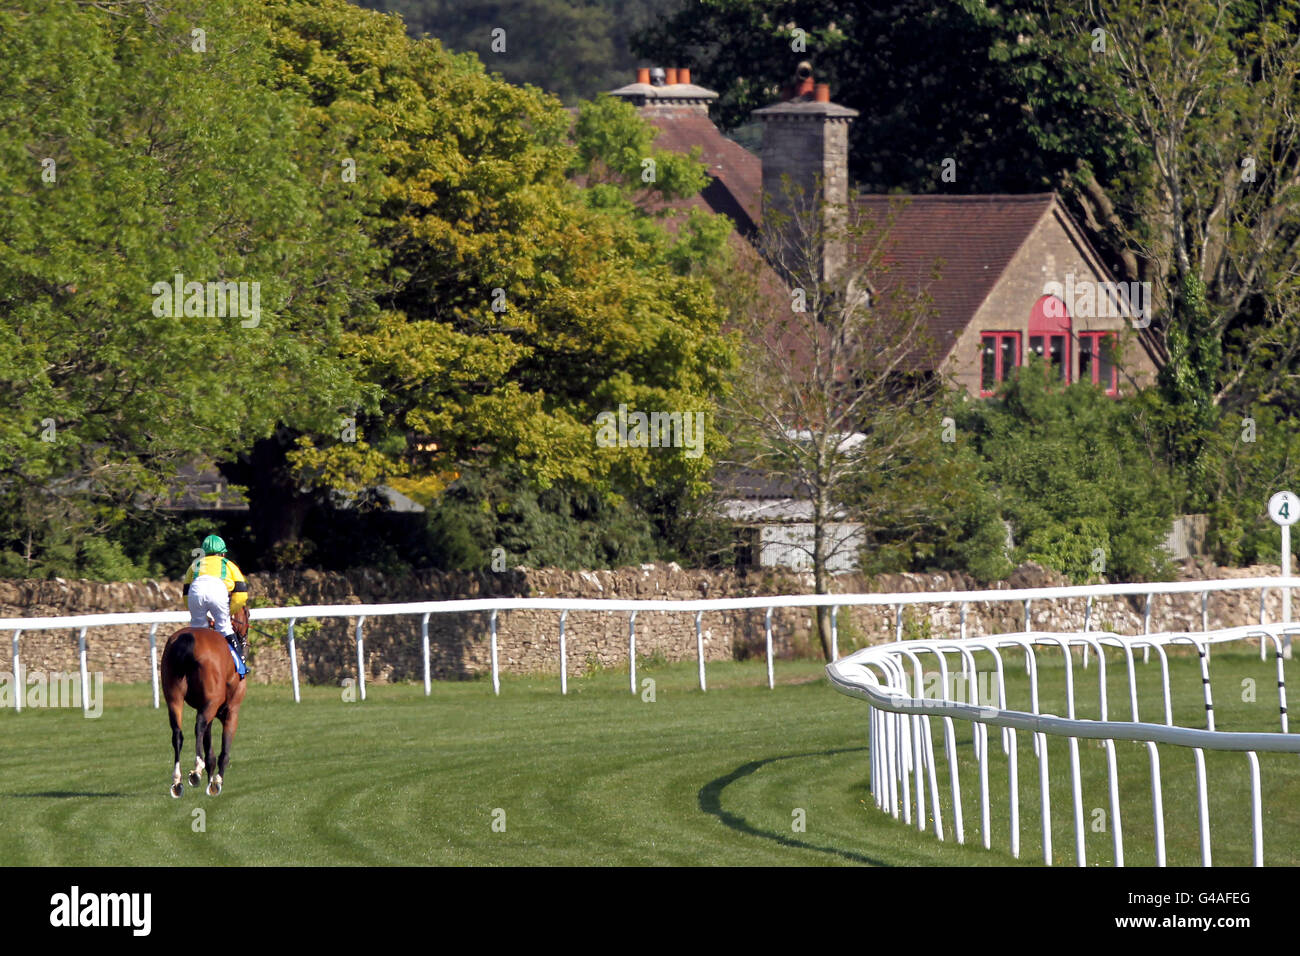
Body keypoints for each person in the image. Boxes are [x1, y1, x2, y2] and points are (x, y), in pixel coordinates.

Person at [183, 534, 250, 679]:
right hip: (218, 590)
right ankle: (241, 666)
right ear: (223, 552)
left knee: (198, 630)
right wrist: (227, 613)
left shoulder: (195, 565)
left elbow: (187, 596)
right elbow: (241, 596)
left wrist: (205, 617)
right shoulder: (229, 565)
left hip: (195, 591)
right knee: (225, 628)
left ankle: (187, 667)